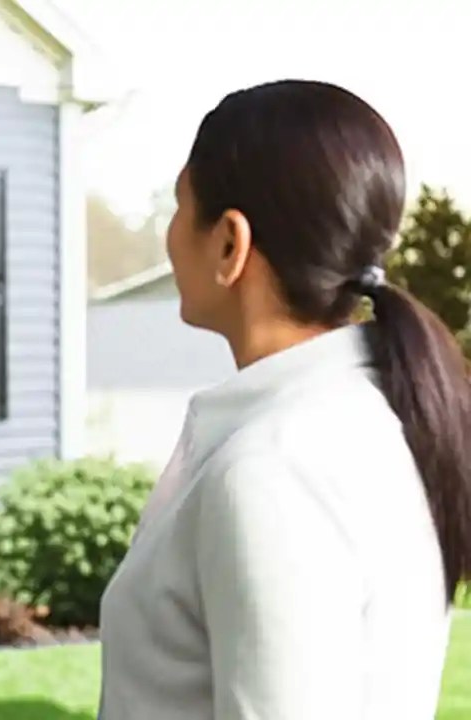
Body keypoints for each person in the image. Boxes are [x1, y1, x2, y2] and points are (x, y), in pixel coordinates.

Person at [97, 79, 471, 719]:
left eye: (181, 207)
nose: (169, 235)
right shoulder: (372, 419)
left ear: (229, 244)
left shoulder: (271, 468)